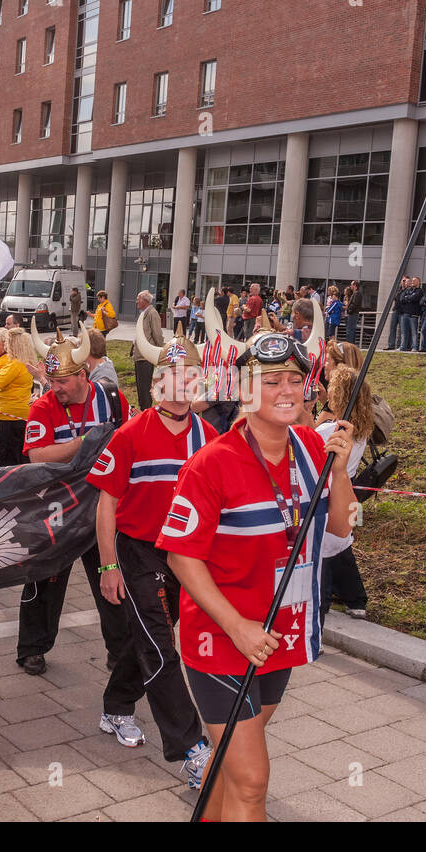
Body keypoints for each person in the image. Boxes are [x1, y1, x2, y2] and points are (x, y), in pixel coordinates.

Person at [157, 326, 356, 821]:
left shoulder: (314, 447)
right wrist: (237, 626)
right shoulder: (210, 463)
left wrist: (340, 470)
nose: (286, 390)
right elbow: (181, 556)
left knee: (228, 763)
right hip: (223, 638)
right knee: (251, 781)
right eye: (270, 380)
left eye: (293, 378)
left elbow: (344, 529)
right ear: (245, 389)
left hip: (279, 636)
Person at [89, 324, 215, 782]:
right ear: (157, 382)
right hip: (137, 553)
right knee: (163, 647)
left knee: (145, 640)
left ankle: (116, 706)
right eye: (172, 378)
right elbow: (107, 504)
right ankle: (192, 748)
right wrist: (107, 565)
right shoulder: (129, 434)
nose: (181, 388)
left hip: (184, 556)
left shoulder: (208, 436)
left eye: (191, 378)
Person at [17, 326, 134, 676]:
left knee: (112, 578)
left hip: (103, 505)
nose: (55, 389)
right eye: (51, 381)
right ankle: (32, 648)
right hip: (59, 508)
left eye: (62, 382)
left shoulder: (112, 399)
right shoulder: (43, 406)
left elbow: (128, 444)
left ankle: (121, 653)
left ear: (82, 374)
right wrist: (85, 442)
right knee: (45, 579)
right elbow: (37, 456)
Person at [317, 363, 371, 620]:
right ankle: (356, 599)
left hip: (329, 495)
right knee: (342, 548)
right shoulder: (360, 430)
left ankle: (321, 608)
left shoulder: (332, 432)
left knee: (324, 556)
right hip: (347, 491)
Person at [0, 326, 36, 464]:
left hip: (9, 414)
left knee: (5, 455)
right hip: (23, 413)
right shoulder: (26, 362)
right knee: (20, 453)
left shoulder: (15, 364)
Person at [130, 291, 162, 410]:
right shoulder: (144, 313)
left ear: (146, 301)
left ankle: (146, 410)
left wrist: (158, 353)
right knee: (140, 386)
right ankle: (143, 409)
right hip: (139, 356)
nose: (136, 301)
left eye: (139, 299)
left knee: (145, 386)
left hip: (146, 357)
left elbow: (157, 335)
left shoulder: (152, 314)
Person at [396, 277, 422, 352]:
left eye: (414, 281)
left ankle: (414, 347)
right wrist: (409, 298)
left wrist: (407, 298)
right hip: (405, 314)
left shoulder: (419, 291)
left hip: (413, 315)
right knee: (404, 332)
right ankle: (402, 347)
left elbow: (415, 298)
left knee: (414, 332)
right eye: (412, 281)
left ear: (418, 282)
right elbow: (401, 299)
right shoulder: (408, 290)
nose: (412, 282)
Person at [344, 280, 362, 348]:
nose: (351, 286)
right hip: (353, 313)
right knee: (351, 329)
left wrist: (349, 310)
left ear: (355, 286)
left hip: (353, 314)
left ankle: (350, 345)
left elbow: (355, 304)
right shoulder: (355, 293)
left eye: (352, 285)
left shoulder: (357, 293)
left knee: (350, 329)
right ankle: (351, 344)